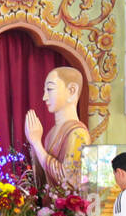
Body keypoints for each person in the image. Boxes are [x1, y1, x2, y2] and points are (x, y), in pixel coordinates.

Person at [24, 66, 91, 194]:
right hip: (50, 207)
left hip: (67, 209)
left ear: (72, 90)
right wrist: (34, 144)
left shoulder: (78, 133)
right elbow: (42, 181)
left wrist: (37, 144)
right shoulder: (51, 134)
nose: (44, 97)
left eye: (50, 89)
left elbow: (69, 181)